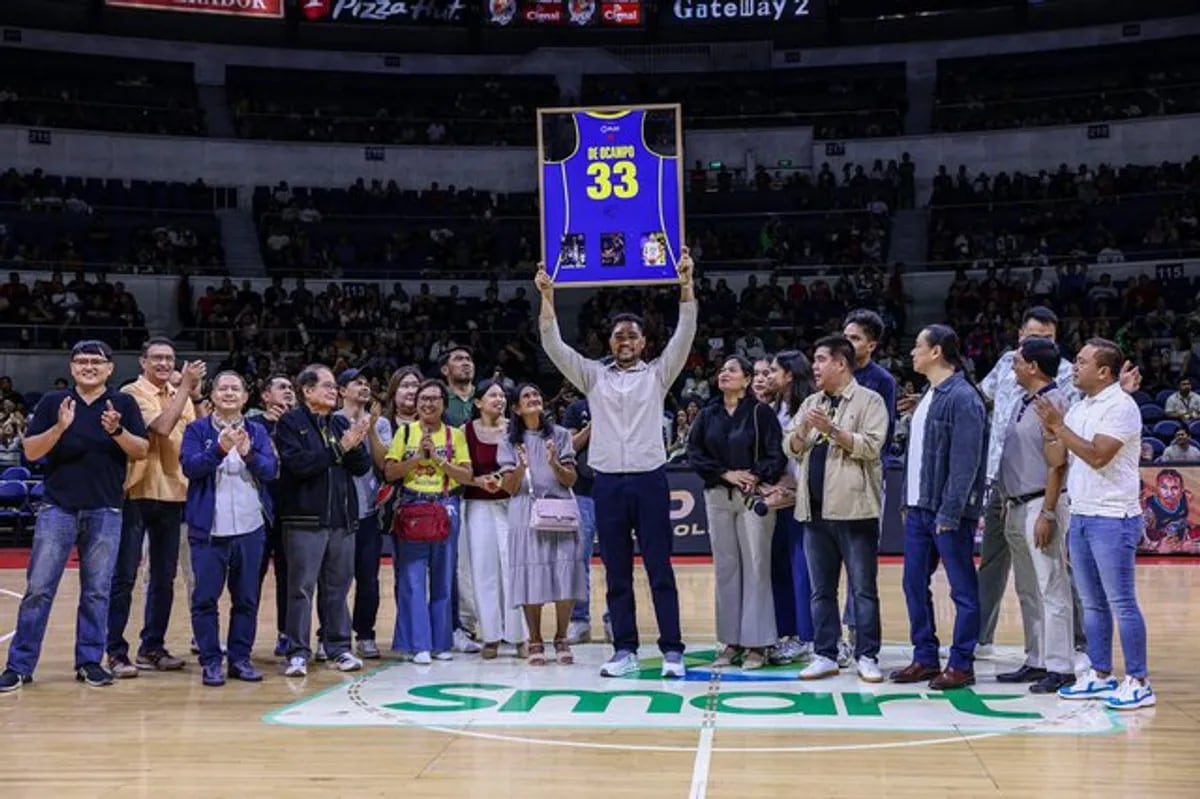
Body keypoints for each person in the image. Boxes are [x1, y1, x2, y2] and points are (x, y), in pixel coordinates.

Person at [535, 248, 696, 678]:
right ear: (609, 342)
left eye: (632, 336)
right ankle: (624, 649)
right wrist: (547, 296)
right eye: (618, 336)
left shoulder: (659, 374)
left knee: (660, 569)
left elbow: (686, 333)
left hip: (649, 481)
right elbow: (554, 345)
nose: (625, 342)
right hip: (606, 483)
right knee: (617, 571)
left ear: (644, 343)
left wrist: (686, 285)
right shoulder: (593, 377)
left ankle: (672, 651)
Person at [976, 307, 1138, 656]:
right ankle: (1021, 651)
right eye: (1032, 336)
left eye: (1046, 338)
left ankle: (1072, 655)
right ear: (1019, 335)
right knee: (1016, 577)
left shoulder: (1065, 383)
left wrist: (1048, 510)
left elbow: (1069, 453)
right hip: (1004, 487)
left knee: (1063, 583)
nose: (1037, 344)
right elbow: (981, 398)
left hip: (1051, 496)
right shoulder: (1009, 368)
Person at [0, 341, 148, 693]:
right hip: (58, 508)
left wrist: (116, 430)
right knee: (38, 589)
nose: (89, 366)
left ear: (110, 368)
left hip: (106, 509)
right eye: (81, 361)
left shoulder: (122, 404)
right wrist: (59, 428)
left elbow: (141, 450)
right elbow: (32, 451)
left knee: (97, 591)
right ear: (71, 367)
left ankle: (89, 662)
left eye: (97, 361)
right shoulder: (55, 403)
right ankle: (19, 666)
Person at [1037, 338, 1156, 709]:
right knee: (1091, 603)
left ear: (1103, 371)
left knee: (1121, 601)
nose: (1075, 366)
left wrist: (1060, 427)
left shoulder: (1121, 407)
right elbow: (1059, 457)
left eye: (1083, 361)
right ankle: (1101, 674)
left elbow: (1097, 455)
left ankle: (1138, 680)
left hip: (1113, 518)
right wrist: (1050, 431)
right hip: (1083, 513)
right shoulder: (1080, 407)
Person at [784, 335, 888, 683]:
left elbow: (872, 447)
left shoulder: (869, 401)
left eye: (820, 359)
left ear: (841, 364)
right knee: (821, 590)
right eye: (814, 360)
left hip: (855, 511)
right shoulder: (812, 401)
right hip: (813, 512)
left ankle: (867, 654)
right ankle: (826, 653)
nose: (814, 367)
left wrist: (832, 430)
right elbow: (791, 446)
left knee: (862, 589)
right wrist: (804, 428)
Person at [892, 325, 987, 691]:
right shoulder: (930, 396)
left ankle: (962, 663)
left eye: (917, 346)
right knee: (913, 584)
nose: (911, 352)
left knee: (962, 590)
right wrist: (906, 501)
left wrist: (951, 512)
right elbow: (916, 458)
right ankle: (925, 657)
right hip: (918, 508)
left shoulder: (963, 397)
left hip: (947, 512)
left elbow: (966, 464)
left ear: (936, 352)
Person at [107, 337, 206, 678]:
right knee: (125, 577)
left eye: (169, 359)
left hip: (175, 491)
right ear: (142, 361)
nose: (164, 364)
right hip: (138, 491)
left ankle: (152, 646)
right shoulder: (133, 392)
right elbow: (162, 428)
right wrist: (185, 389)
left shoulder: (181, 395)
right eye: (157, 358)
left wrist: (193, 394)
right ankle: (115, 651)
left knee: (164, 578)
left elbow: (198, 433)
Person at [687, 355, 785, 670]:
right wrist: (725, 474)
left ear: (746, 379)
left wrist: (755, 475)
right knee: (726, 569)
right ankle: (730, 641)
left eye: (732, 370)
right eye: (722, 370)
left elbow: (775, 454)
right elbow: (694, 453)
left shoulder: (761, 413)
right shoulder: (708, 413)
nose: (724, 374)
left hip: (752, 498)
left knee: (756, 567)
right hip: (717, 494)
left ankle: (758, 643)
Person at [275, 364, 372, 677]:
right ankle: (297, 652)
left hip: (341, 520)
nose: (334, 391)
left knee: (338, 588)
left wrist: (356, 444)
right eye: (328, 386)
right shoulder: (291, 423)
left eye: (334, 387)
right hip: (304, 519)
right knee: (301, 589)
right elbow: (299, 464)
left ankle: (339, 647)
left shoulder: (339, 423)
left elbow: (360, 468)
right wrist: (341, 447)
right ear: (307, 390)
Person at [180, 371, 276, 687]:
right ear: (213, 395)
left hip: (251, 527)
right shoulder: (196, 429)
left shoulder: (258, 430)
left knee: (246, 598)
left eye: (236, 388)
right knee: (205, 599)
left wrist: (248, 452)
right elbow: (191, 468)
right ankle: (211, 661)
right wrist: (219, 450)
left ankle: (240, 659)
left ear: (246, 397)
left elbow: (271, 470)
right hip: (209, 529)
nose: (230, 393)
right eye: (223, 388)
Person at [992, 338, 1076, 694]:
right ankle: (1036, 659)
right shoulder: (1022, 402)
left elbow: (1059, 465)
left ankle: (1061, 666)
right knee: (1027, 588)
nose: (1012, 367)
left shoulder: (1053, 403)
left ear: (1033, 367)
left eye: (1017, 361)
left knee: (1051, 586)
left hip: (1042, 503)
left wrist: (1048, 512)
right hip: (1015, 503)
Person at [383, 379, 474, 664]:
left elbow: (466, 476)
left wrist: (439, 461)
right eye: (423, 399)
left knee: (443, 579)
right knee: (411, 580)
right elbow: (389, 472)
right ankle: (417, 644)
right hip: (412, 507)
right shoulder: (405, 433)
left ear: (444, 404)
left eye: (434, 399)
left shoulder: (455, 436)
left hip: (445, 508)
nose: (428, 403)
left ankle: (440, 642)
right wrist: (417, 459)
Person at [499, 384, 586, 666]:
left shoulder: (560, 435)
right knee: (529, 576)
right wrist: (523, 466)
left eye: (537, 395)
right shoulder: (508, 440)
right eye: (527, 397)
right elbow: (510, 488)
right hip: (525, 512)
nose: (534, 399)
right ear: (516, 408)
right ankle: (534, 639)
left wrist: (553, 463)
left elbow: (571, 479)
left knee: (565, 572)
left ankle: (561, 637)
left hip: (560, 509)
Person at [840, 308, 898, 665]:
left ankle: (858, 637)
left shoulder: (882, 381)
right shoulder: (832, 372)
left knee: (860, 563)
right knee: (829, 560)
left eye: (855, 338)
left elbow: (882, 437)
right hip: (830, 479)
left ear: (871, 345)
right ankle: (828, 637)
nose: (847, 343)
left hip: (865, 477)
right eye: (845, 336)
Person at [464, 380, 525, 657]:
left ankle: (521, 636)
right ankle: (490, 636)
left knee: (514, 569)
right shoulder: (465, 431)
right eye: (492, 395)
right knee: (483, 570)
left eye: (502, 395)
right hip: (478, 505)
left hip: (512, 503)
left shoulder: (516, 428)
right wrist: (479, 481)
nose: (499, 399)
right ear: (478, 402)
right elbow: (462, 469)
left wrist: (503, 480)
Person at [765, 350, 816, 664]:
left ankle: (809, 637)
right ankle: (787, 634)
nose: (768, 376)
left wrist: (795, 486)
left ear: (790, 374)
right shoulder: (773, 408)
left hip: (804, 500)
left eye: (774, 371)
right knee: (780, 569)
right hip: (779, 499)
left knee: (803, 571)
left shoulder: (811, 406)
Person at [335, 368, 382, 660]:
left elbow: (382, 462)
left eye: (367, 382)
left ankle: (365, 634)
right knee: (336, 580)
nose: (364, 386)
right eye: (357, 383)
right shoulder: (331, 420)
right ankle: (331, 633)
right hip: (339, 510)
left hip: (369, 511)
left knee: (369, 578)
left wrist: (373, 429)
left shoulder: (382, 423)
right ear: (341, 390)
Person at [438, 345, 481, 654]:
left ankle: (494, 623)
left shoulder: (485, 397)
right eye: (458, 360)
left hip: (489, 493)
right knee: (459, 565)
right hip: (453, 492)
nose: (465, 364)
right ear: (445, 370)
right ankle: (462, 625)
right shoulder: (440, 402)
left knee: (491, 561)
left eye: (468, 360)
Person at [249, 374, 295, 657]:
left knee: (288, 577)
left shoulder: (300, 423)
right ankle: (244, 635)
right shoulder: (253, 425)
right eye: (282, 387)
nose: (289, 392)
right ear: (265, 396)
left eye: (291, 388)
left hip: (291, 510)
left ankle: (286, 634)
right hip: (259, 509)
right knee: (251, 577)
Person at [560, 393, 600, 644]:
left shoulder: (627, 404)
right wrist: (593, 427)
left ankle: (614, 620)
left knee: (617, 558)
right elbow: (570, 446)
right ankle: (580, 620)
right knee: (578, 558)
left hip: (616, 488)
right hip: (583, 491)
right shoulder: (578, 408)